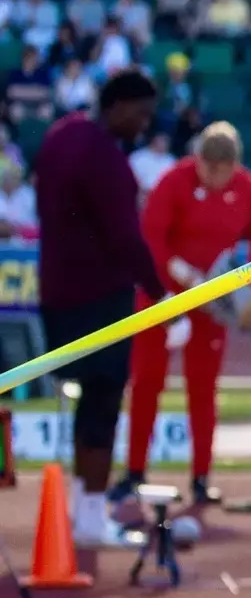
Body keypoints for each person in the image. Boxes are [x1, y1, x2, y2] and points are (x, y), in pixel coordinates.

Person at [34, 69, 168, 548]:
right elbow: (125, 238)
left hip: (55, 291)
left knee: (88, 405)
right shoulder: (106, 157)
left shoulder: (59, 136)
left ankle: (83, 510)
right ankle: (89, 517)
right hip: (100, 297)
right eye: (141, 113)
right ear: (119, 106)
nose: (144, 125)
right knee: (103, 402)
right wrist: (160, 292)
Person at [111, 122, 251, 510]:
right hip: (161, 295)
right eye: (209, 167)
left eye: (224, 169)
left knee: (203, 388)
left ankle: (201, 478)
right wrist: (177, 283)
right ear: (197, 159)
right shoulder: (173, 182)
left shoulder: (250, 190)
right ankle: (134, 472)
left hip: (211, 301)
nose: (216, 177)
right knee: (147, 381)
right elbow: (150, 240)